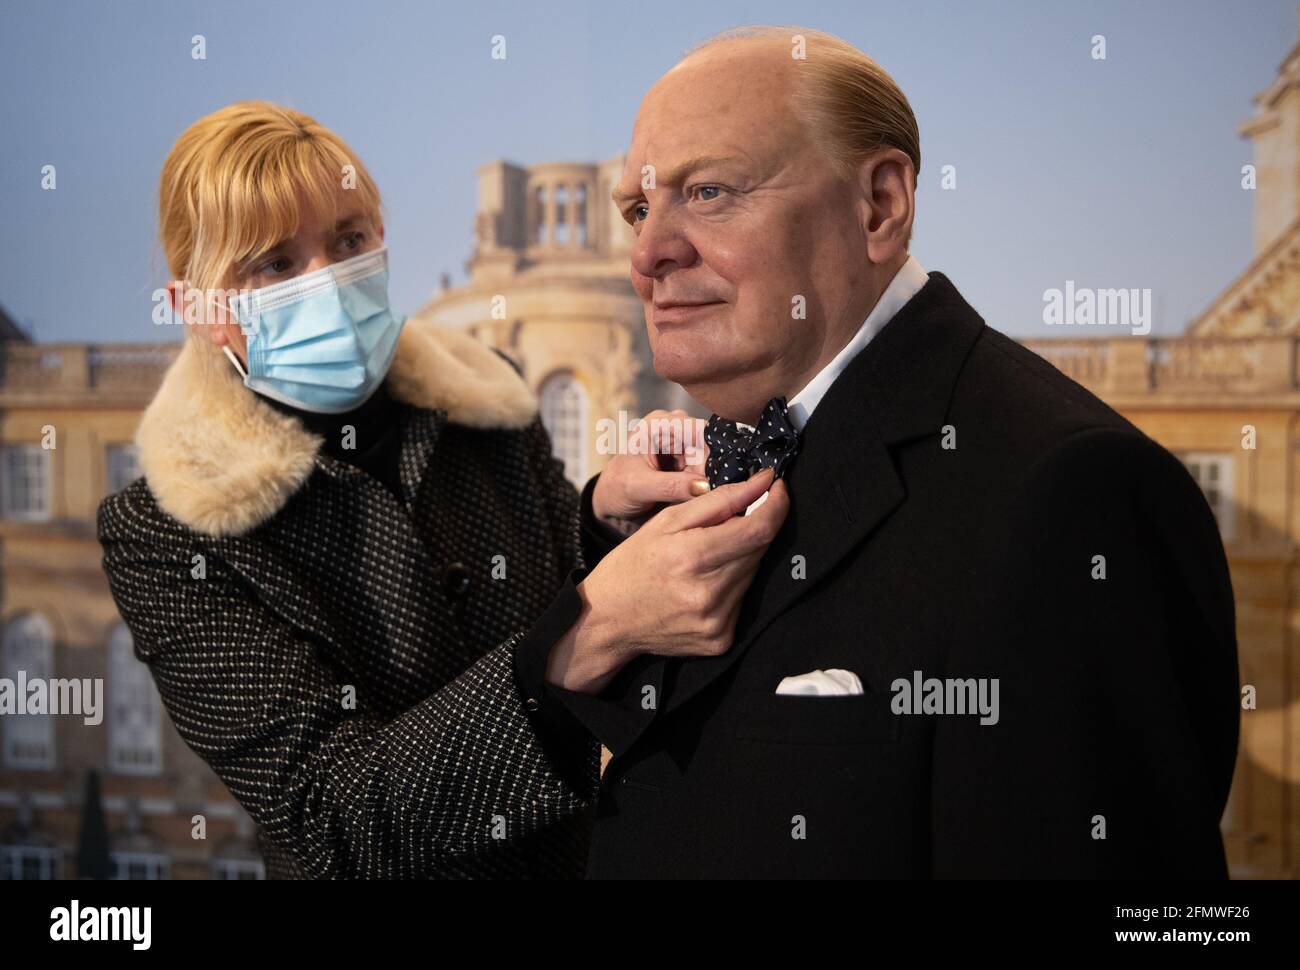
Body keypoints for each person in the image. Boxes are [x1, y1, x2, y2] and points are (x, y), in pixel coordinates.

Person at [521, 27, 1241, 877]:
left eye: (709, 191)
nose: (647, 255)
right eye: (640, 209)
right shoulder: (699, 477)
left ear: (880, 206)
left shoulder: (1070, 493)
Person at [97, 100, 788, 878]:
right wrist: (594, 633)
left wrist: (601, 516)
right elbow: (332, 816)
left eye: (349, 240)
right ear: (199, 308)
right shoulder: (166, 533)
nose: (327, 280)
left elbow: (548, 578)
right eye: (276, 263)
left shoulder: (485, 406)